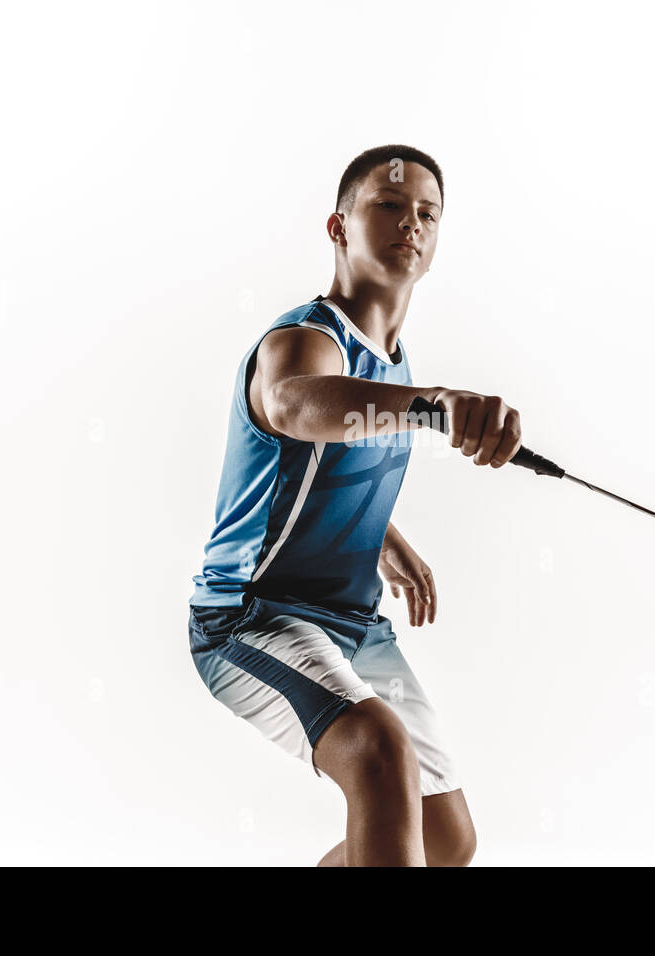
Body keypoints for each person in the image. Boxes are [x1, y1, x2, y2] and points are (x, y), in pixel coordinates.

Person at [188, 144, 523, 866]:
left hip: (352, 623)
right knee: (378, 753)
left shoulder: (393, 361)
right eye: (389, 205)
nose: (411, 223)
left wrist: (382, 539)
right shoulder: (302, 339)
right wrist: (433, 408)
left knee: (446, 838)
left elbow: (322, 461)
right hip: (251, 618)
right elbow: (298, 406)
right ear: (338, 227)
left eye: (427, 214)